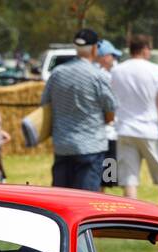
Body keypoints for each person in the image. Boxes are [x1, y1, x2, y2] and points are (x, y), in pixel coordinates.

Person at [42, 28, 115, 192]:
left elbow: (45, 104)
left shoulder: (57, 73)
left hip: (63, 146)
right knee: (85, 201)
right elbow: (110, 113)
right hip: (91, 147)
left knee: (61, 199)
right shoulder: (98, 76)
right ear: (95, 48)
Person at [110, 34, 158, 208]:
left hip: (124, 129)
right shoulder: (155, 70)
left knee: (130, 181)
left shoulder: (117, 71)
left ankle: (132, 223)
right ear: (145, 49)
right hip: (150, 130)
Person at [96, 39, 121, 189]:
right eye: (112, 55)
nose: (114, 59)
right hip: (108, 134)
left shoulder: (107, 74)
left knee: (105, 179)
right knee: (106, 179)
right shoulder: (104, 76)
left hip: (106, 134)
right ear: (105, 57)